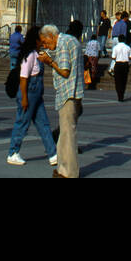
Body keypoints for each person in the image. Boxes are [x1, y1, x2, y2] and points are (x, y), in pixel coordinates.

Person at [7, 23, 57, 166]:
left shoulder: (36, 55)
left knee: (44, 124)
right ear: (35, 40)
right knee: (22, 122)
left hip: (36, 94)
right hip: (29, 93)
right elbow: (23, 78)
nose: (43, 41)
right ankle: (12, 152)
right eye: (41, 39)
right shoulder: (29, 56)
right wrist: (24, 98)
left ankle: (52, 153)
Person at [44, 20, 84, 178]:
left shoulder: (64, 43)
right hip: (73, 91)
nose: (46, 46)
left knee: (67, 133)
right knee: (65, 133)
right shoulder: (71, 41)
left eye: (46, 42)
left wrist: (50, 62)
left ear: (52, 36)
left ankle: (69, 173)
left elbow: (65, 71)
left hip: (68, 92)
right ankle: (63, 169)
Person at [110, 34, 131, 101]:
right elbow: (130, 56)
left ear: (118, 40)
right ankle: (122, 94)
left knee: (117, 80)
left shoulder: (115, 47)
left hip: (118, 64)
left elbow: (113, 57)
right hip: (125, 64)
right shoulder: (128, 47)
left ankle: (119, 95)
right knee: (124, 80)